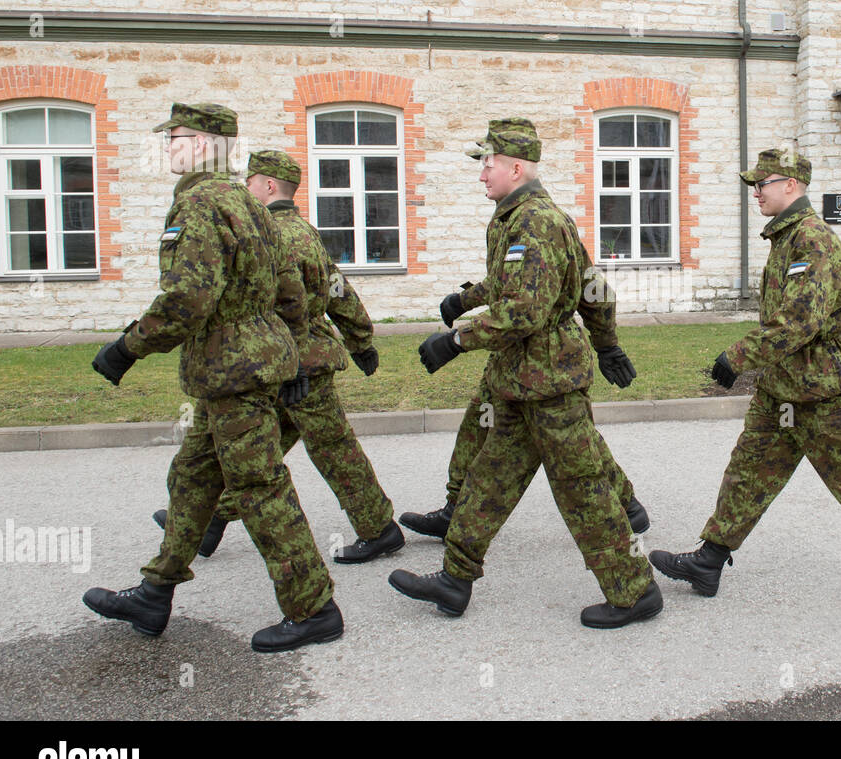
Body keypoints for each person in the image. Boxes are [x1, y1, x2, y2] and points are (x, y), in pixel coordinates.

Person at [86, 103, 342, 653]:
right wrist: (293, 354)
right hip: (245, 365)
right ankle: (155, 592)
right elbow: (289, 289)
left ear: (201, 144)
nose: (168, 146)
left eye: (174, 137)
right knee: (193, 476)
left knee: (259, 487)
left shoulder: (200, 204)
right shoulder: (250, 204)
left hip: (233, 369)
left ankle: (314, 609)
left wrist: (127, 348)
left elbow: (187, 299)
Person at [389, 118, 661, 628]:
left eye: (487, 165)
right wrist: (605, 345)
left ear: (515, 167)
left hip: (550, 381)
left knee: (582, 487)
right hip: (521, 380)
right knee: (490, 479)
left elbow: (525, 310)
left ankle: (634, 591)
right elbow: (588, 288)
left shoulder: (535, 222)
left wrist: (455, 340)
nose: (481, 175)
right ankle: (454, 580)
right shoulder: (518, 217)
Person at [648, 148, 841, 606]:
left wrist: (737, 356)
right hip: (782, 387)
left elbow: (798, 322)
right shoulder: (785, 238)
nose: (755, 193)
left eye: (762, 184)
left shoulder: (812, 241)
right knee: (748, 471)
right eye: (753, 185)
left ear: (790, 185)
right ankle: (709, 561)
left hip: (821, 389)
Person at [148, 150, 404, 564]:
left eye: (251, 181)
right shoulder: (303, 229)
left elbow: (291, 301)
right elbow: (337, 287)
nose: (244, 188)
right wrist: (360, 338)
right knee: (256, 451)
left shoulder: (270, 231)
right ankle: (210, 521)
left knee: (326, 450)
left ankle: (378, 528)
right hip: (291, 360)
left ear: (268, 186)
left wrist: (356, 341)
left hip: (288, 362)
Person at [398, 275, 649, 542]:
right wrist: (462, 300)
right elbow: (505, 281)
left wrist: (607, 345)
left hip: (547, 366)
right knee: (479, 420)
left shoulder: (544, 234)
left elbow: (587, 293)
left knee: (575, 443)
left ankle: (626, 507)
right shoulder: (509, 233)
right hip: (509, 359)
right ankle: (456, 510)